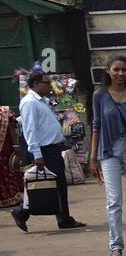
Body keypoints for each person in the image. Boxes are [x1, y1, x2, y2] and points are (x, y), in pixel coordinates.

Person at [88, 55, 126, 256]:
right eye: (116, 70)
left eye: (124, 70)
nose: (120, 73)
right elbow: (96, 126)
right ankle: (115, 245)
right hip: (108, 151)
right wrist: (93, 156)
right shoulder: (100, 95)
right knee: (114, 200)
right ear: (108, 71)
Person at [13, 71, 85, 231]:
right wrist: (37, 154)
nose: (49, 86)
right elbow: (30, 130)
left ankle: (63, 218)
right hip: (44, 150)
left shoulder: (42, 101)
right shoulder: (29, 103)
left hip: (52, 148)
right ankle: (21, 212)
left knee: (57, 185)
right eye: (46, 83)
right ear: (36, 84)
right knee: (45, 185)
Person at [0, 106, 24, 213]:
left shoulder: (3, 112)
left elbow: (11, 128)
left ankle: (11, 197)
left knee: (6, 171)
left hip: (5, 150)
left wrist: (15, 145)